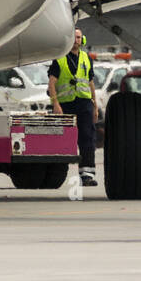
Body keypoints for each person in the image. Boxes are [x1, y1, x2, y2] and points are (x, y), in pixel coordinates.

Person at [49, 29, 98, 187]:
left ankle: (87, 174)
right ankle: (56, 173)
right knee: (62, 140)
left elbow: (90, 83)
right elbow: (52, 83)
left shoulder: (86, 58)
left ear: (82, 40)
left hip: (84, 103)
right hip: (66, 104)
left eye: (79, 37)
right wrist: (56, 104)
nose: (76, 40)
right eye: (74, 37)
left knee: (87, 138)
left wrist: (95, 105)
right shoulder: (60, 59)